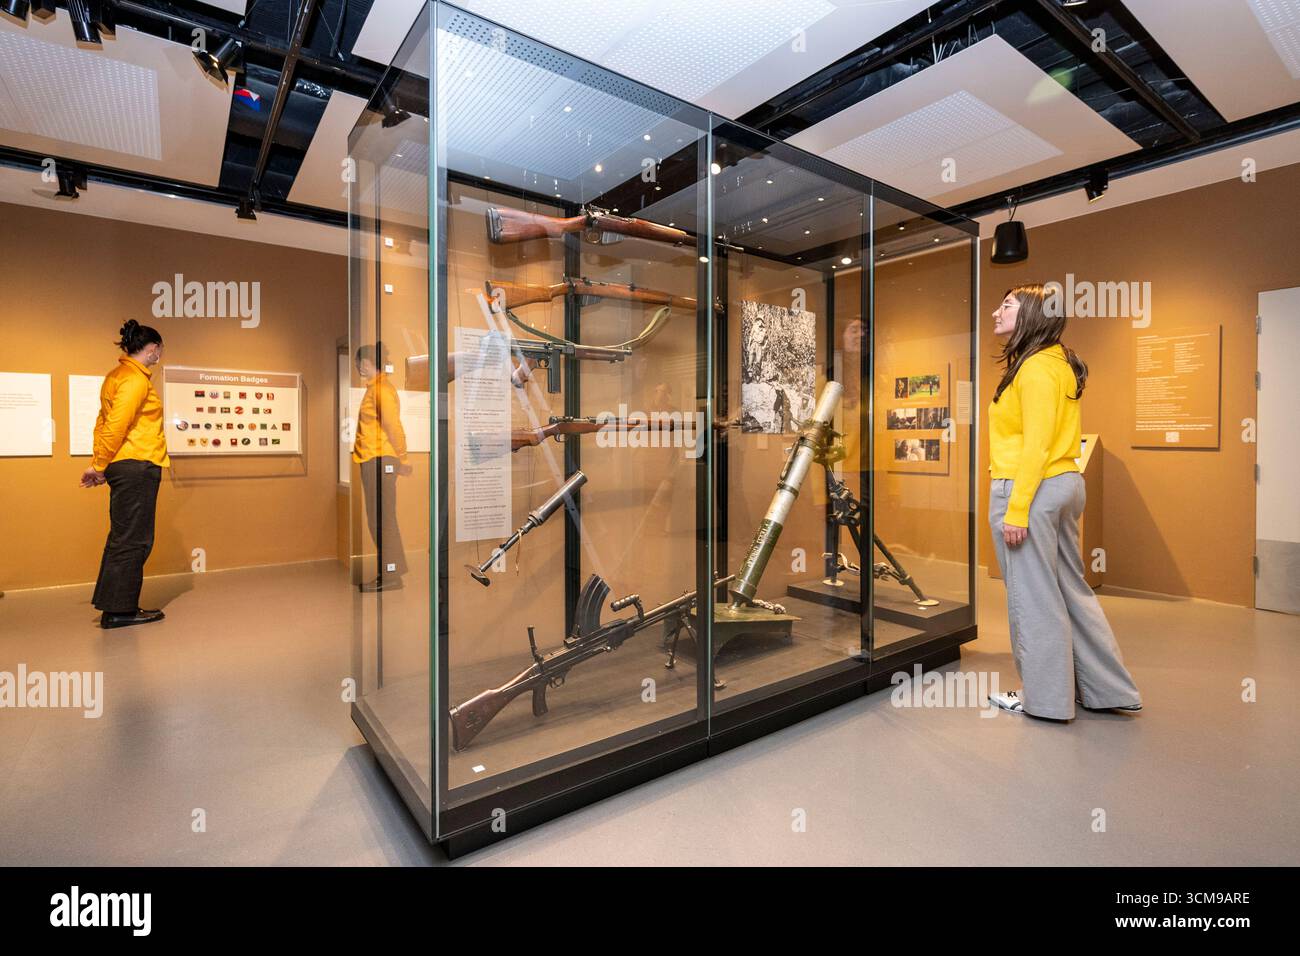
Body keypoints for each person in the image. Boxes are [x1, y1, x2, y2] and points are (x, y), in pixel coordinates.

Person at [985, 284, 1141, 719]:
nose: (996, 311)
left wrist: (1016, 509)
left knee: (1032, 598)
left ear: (1033, 314)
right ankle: (1108, 689)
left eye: (1007, 304)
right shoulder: (1058, 363)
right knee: (1072, 590)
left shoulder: (1034, 369)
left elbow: (1035, 445)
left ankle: (1045, 700)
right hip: (1064, 484)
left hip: (1028, 489)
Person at [81, 320, 169, 629]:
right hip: (138, 465)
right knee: (135, 540)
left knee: (122, 537)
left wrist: (101, 462)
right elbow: (115, 425)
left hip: (125, 464)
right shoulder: (135, 380)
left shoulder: (116, 376)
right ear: (152, 349)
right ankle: (120, 611)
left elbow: (101, 423)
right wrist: (101, 463)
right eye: (159, 351)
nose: (159, 356)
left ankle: (114, 605)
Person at [353, 342, 411, 592]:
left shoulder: (381, 390)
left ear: (366, 363)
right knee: (379, 519)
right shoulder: (376, 389)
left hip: (379, 460)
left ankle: (390, 575)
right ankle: (391, 571)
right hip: (374, 460)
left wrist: (403, 457)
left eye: (359, 364)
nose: (358, 368)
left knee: (381, 520)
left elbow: (392, 425)